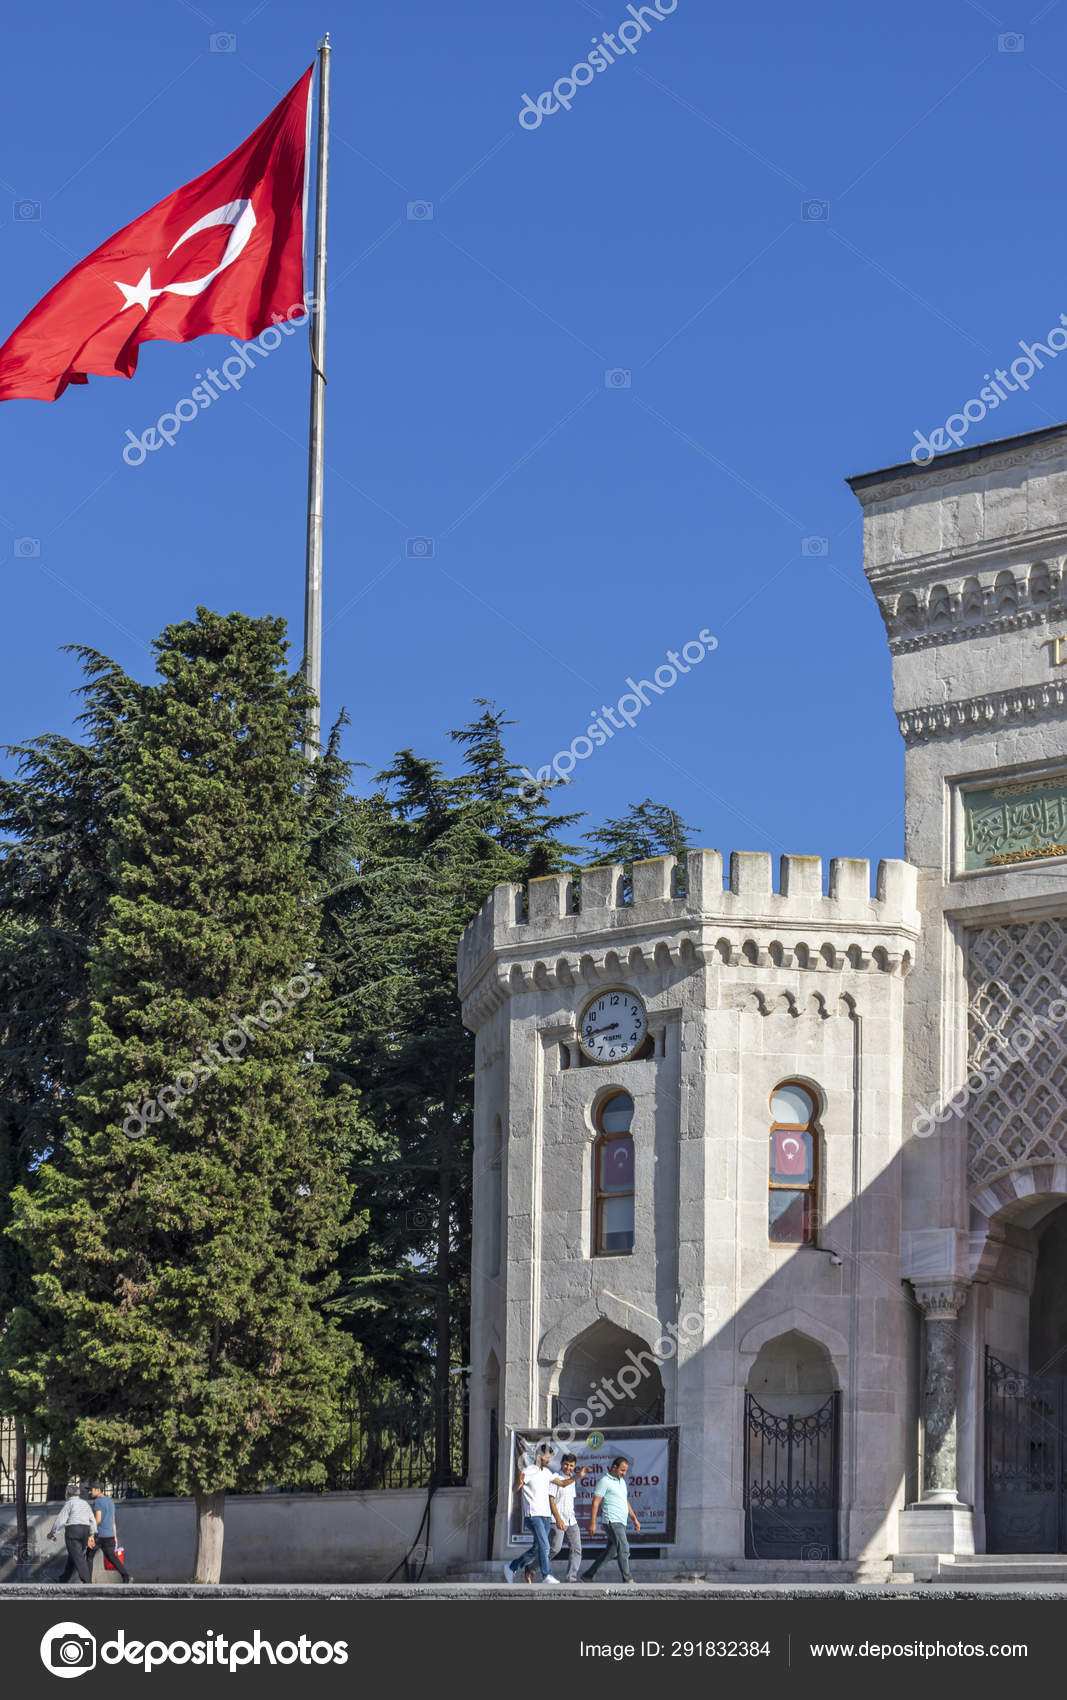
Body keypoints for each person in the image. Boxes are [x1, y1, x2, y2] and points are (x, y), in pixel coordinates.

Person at [503, 1442, 560, 1585]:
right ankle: (547, 1575)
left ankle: (512, 1567)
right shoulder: (528, 1471)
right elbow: (515, 1488)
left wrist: (578, 1476)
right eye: (547, 1458)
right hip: (533, 1516)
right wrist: (519, 1482)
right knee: (545, 1546)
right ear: (539, 1456)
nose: (549, 1461)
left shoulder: (546, 1473)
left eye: (550, 1458)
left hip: (546, 1516)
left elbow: (562, 1483)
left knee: (537, 1547)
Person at [581, 1456, 641, 1583]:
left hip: (622, 1521)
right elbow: (596, 1502)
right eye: (622, 1470)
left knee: (612, 1552)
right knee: (624, 1548)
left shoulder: (622, 1482)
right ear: (614, 1467)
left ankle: (588, 1575)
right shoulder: (604, 1481)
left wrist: (634, 1518)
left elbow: (625, 1501)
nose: (624, 1473)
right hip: (612, 1521)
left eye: (625, 1471)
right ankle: (628, 1579)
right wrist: (592, 1523)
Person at [548, 1453, 590, 1582]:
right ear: (561, 1463)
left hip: (571, 1520)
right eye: (566, 1464)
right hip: (557, 1520)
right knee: (555, 1549)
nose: (568, 1467)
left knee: (577, 1549)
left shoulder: (572, 1480)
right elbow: (551, 1500)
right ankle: (531, 1567)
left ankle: (572, 1577)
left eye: (571, 1465)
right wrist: (559, 1519)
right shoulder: (555, 1477)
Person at [48, 1486, 97, 1583]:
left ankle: (87, 1581)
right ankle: (63, 1579)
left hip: (73, 1531)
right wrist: (92, 1534)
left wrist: (52, 1532)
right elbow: (92, 1519)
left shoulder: (69, 1503)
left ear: (67, 1493)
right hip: (85, 1531)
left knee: (77, 1556)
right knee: (74, 1556)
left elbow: (61, 1519)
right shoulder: (85, 1504)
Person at [88, 1483, 132, 1582]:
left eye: (91, 1490)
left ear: (98, 1490)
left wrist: (91, 1534)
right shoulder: (110, 1501)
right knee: (112, 1557)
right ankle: (126, 1576)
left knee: (89, 1556)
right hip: (110, 1535)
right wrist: (115, 1536)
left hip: (99, 1535)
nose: (89, 1492)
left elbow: (98, 1519)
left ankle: (87, 1581)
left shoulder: (98, 1501)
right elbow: (113, 1521)